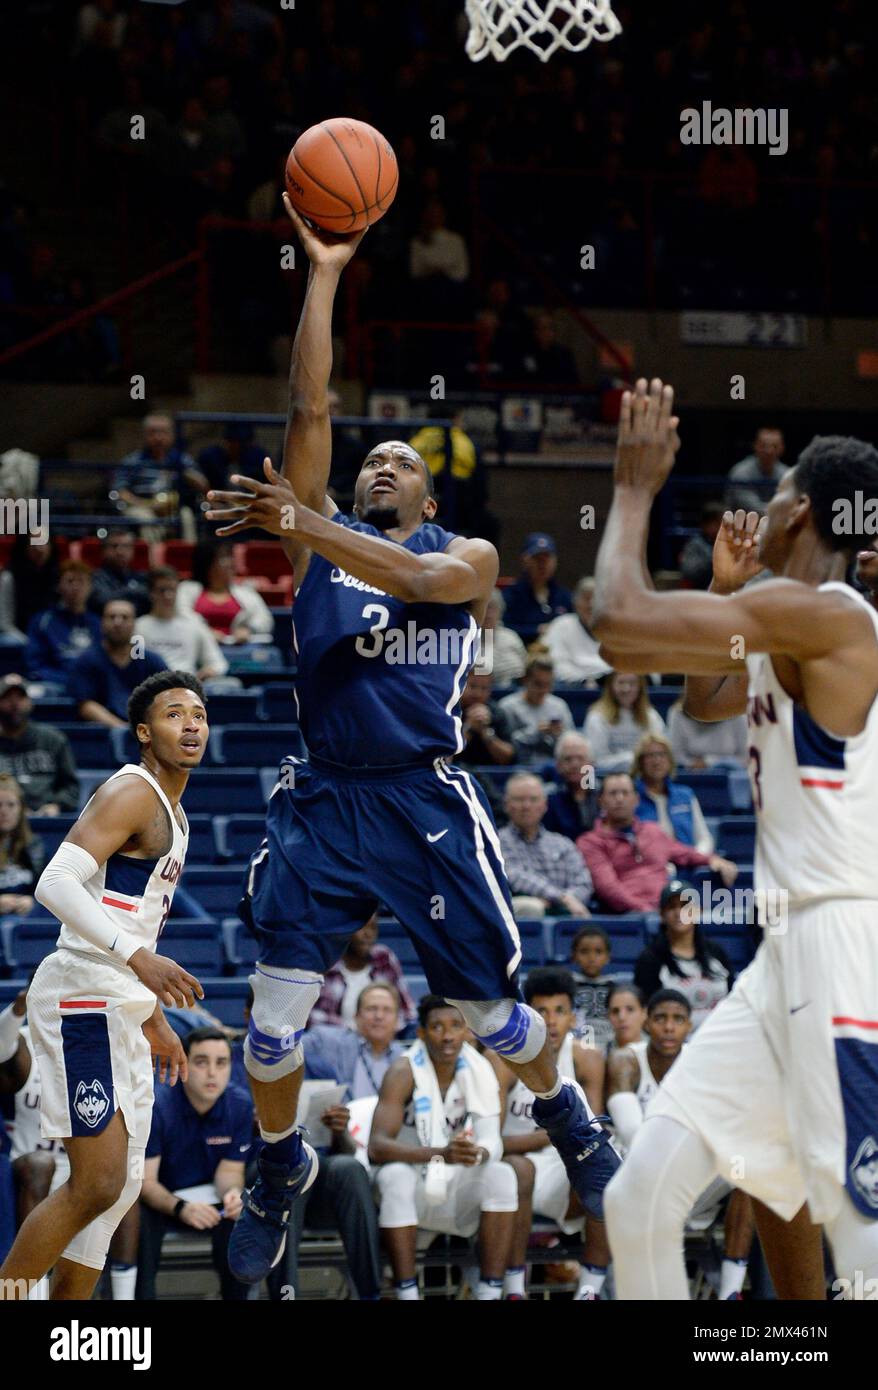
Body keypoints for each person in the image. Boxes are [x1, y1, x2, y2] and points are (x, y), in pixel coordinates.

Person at [202, 202, 615, 1286]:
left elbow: (424, 583)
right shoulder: (317, 549)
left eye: (398, 461)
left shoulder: (462, 554)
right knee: (271, 1022)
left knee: (491, 1012)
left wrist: (301, 518)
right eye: (367, 459)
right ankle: (280, 1157)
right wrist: (326, 270)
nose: (378, 465)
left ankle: (564, 1104)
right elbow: (310, 399)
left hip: (424, 799)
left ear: (428, 490)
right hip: (328, 799)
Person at [594, 377, 876, 1300]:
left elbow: (620, 628)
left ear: (794, 509)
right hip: (783, 955)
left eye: (775, 487)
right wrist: (723, 592)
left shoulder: (830, 616)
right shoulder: (780, 617)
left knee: (865, 1251)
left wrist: (635, 487)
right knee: (638, 1197)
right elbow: (704, 700)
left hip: (846, 944)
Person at [0, 670, 208, 1298]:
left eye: (199, 712)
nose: (192, 723)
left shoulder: (176, 813)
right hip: (82, 992)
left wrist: (153, 1017)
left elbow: (125, 916)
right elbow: (54, 884)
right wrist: (137, 958)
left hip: (116, 999)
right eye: (175, 714)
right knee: (94, 1182)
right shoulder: (132, 792)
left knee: (114, 1194)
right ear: (144, 732)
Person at [605, 988, 756, 1301]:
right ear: (647, 1022)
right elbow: (634, 1134)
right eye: (661, 1018)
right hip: (639, 1179)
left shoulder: (704, 1062)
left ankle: (731, 1291)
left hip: (691, 1180)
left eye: (678, 1020)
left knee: (749, 1174)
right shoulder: (626, 1059)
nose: (669, 1027)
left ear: (690, 1026)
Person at [369, 997, 517, 1300]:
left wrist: (477, 1153)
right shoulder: (403, 1071)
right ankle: (406, 1292)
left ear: (467, 1031)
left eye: (456, 1026)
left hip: (453, 1181)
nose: (448, 1036)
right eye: (437, 1027)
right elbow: (377, 1146)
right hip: (410, 1184)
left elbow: (493, 1140)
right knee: (396, 1175)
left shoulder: (481, 1069)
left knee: (502, 1174)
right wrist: (439, 1153)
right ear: (422, 1033)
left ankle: (490, 1292)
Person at [266, 983, 401, 1302]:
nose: (379, 1016)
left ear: (399, 1019)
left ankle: (369, 1293)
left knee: (349, 1167)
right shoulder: (327, 1045)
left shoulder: (408, 1061)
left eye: (386, 1010)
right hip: (297, 1161)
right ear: (355, 1017)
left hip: (371, 1157)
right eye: (371, 1009)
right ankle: (286, 1296)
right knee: (299, 1168)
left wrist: (339, 1130)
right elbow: (288, 1042)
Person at [495, 967, 611, 1301]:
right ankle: (515, 1291)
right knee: (520, 1170)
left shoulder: (587, 1058)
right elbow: (493, 1142)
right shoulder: (501, 1059)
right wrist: (557, 1132)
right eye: (542, 1012)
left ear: (573, 1017)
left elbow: (593, 1133)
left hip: (566, 1167)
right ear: (527, 1015)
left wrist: (558, 1137)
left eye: (560, 1011)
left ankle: (589, 1290)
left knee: (605, 1171)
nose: (552, 1020)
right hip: (515, 1166)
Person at [136, 1028, 252, 1301]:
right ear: (182, 1064)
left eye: (221, 1063)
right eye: (201, 1062)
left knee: (238, 1215)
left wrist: (232, 1194)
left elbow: (231, 1172)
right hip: (160, 1200)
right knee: (137, 1217)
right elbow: (145, 1182)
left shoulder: (240, 1104)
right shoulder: (157, 1105)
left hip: (208, 1198)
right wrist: (180, 1208)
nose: (212, 1073)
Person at [577, 773, 736, 914]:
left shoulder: (653, 831)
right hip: (628, 916)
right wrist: (649, 910)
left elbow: (685, 854)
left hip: (666, 909)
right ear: (601, 801)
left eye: (625, 793)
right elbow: (608, 889)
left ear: (636, 799)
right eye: (613, 793)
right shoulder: (590, 842)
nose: (619, 799)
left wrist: (714, 860)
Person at [633, 881, 735, 1030]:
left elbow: (732, 997)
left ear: (698, 910)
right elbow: (646, 1012)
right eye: (671, 907)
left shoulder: (716, 952)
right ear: (661, 914)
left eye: (685, 906)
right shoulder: (650, 959)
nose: (678, 912)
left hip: (720, 1036)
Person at [499, 773, 593, 920]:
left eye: (533, 799)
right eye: (519, 799)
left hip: (568, 912)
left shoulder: (563, 843)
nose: (526, 806)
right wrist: (563, 899)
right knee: (531, 907)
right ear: (506, 805)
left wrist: (566, 901)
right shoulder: (495, 842)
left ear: (544, 805)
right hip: (521, 921)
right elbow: (514, 877)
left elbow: (584, 883)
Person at [67, 597, 167, 727]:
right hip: (101, 735)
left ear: (134, 624)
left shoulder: (150, 660)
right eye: (112, 617)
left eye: (125, 617)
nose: (118, 622)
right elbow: (85, 705)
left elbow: (168, 697)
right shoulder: (86, 660)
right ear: (102, 622)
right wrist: (123, 729)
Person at [309, 914, 416, 1032]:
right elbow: (313, 1016)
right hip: (338, 1041)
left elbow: (407, 1010)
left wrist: (384, 1028)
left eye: (373, 928)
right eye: (362, 927)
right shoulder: (329, 964)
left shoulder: (384, 958)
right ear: (346, 930)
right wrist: (354, 1030)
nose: (368, 934)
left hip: (383, 1039)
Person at [113, 412, 208, 539]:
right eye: (152, 432)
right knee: (146, 519)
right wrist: (147, 504)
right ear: (144, 435)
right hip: (142, 507)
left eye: (163, 432)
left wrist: (182, 470)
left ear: (172, 435)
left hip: (173, 507)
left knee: (186, 515)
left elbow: (203, 485)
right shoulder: (133, 461)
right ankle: (156, 558)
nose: (158, 437)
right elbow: (120, 492)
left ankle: (186, 556)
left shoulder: (183, 460)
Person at [0, 674, 79, 815]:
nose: (14, 704)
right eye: (7, 698)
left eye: (20, 697)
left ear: (30, 703)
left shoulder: (53, 739)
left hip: (46, 819)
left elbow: (71, 787)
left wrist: (57, 805)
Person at [135, 567, 229, 681]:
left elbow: (218, 662)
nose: (168, 596)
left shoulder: (194, 623)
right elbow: (135, 665)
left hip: (187, 688)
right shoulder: (138, 627)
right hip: (152, 687)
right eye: (162, 590)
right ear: (151, 593)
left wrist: (210, 671)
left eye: (172, 590)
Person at [176, 541, 274, 645]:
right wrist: (205, 632)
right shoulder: (187, 589)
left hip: (239, 650)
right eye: (224, 558)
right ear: (207, 562)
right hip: (198, 647)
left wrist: (248, 629)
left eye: (231, 557)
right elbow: (180, 616)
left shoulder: (246, 593)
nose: (230, 563)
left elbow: (265, 620)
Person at [632, 732, 714, 852]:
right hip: (649, 866)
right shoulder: (631, 797)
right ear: (640, 762)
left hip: (688, 865)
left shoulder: (685, 795)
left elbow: (705, 839)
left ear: (670, 760)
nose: (657, 761)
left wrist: (695, 857)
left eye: (661, 754)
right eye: (650, 755)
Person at [26, 561, 101, 686]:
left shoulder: (98, 623)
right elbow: (35, 667)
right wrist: (68, 680)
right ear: (59, 586)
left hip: (91, 687)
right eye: (70, 581)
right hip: (55, 684)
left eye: (81, 581)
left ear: (90, 587)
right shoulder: (42, 622)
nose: (76, 587)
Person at [583, 671, 666, 772]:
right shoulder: (597, 717)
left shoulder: (651, 716)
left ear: (640, 687)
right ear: (611, 686)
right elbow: (597, 760)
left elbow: (660, 753)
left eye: (632, 683)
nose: (626, 688)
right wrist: (631, 759)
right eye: (621, 683)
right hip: (609, 778)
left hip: (644, 778)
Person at [498, 655, 574, 766]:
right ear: (525, 680)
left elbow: (571, 740)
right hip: (519, 766)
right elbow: (506, 745)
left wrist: (559, 734)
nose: (543, 690)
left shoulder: (559, 705)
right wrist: (535, 733)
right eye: (538, 684)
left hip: (556, 768)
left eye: (548, 685)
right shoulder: (507, 706)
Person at [502, 534, 572, 644]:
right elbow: (502, 628)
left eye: (547, 559)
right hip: (521, 651)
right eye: (537, 559)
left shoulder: (565, 596)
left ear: (555, 561)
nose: (542, 565)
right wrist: (535, 630)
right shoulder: (510, 596)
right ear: (525, 560)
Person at [543, 577, 612, 686]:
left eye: (597, 599)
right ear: (575, 601)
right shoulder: (561, 625)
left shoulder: (616, 628)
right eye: (586, 598)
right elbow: (557, 666)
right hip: (575, 688)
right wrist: (586, 681)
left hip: (612, 687)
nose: (591, 605)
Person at [568, 925, 621, 1052]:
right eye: (584, 952)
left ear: (608, 957)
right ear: (574, 956)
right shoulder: (567, 984)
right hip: (576, 1038)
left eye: (598, 952)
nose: (591, 958)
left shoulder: (614, 986)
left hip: (608, 1039)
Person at [0, 773, 45, 918]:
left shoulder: (35, 846)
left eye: (11, 805)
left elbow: (48, 891)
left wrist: (33, 901)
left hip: (27, 918)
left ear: (21, 809)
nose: (4, 811)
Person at [542, 731, 599, 841]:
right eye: (568, 759)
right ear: (558, 765)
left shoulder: (604, 793)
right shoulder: (546, 797)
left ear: (591, 763)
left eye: (580, 758)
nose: (575, 764)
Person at [667, 697, 748, 770]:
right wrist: (691, 764)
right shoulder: (678, 712)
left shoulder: (738, 714)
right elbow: (674, 757)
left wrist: (709, 762)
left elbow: (746, 759)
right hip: (691, 775)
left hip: (731, 776)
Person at [457, 666, 515, 767]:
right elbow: (445, 755)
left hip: (492, 775)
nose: (477, 693)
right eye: (473, 686)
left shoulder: (497, 712)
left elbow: (508, 757)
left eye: (484, 688)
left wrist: (485, 732)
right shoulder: (450, 710)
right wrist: (469, 728)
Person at [725, 427, 789, 514]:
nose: (769, 450)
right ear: (755, 446)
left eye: (774, 446)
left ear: (782, 448)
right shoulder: (740, 472)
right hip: (741, 524)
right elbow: (750, 507)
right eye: (764, 446)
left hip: (776, 524)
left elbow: (790, 503)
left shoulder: (787, 474)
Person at [87, 530, 150, 617]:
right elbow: (102, 601)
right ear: (104, 551)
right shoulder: (94, 577)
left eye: (126, 546)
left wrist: (117, 594)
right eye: (114, 546)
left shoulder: (142, 577)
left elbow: (151, 599)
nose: (120, 551)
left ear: (133, 550)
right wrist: (134, 591)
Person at [483, 589, 527, 686]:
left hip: (517, 691)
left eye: (492, 608)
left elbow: (525, 665)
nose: (488, 614)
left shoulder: (511, 637)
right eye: (484, 608)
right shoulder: (466, 640)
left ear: (500, 611)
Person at [679, 502, 726, 590]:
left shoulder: (728, 543)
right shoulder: (695, 544)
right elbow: (689, 572)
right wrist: (715, 559)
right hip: (701, 593)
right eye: (718, 523)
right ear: (706, 525)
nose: (722, 527)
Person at [605, 983, 647, 1058]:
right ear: (608, 1016)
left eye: (630, 1009)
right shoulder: (600, 1056)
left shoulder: (659, 1052)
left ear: (644, 1013)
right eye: (615, 1011)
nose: (622, 1017)